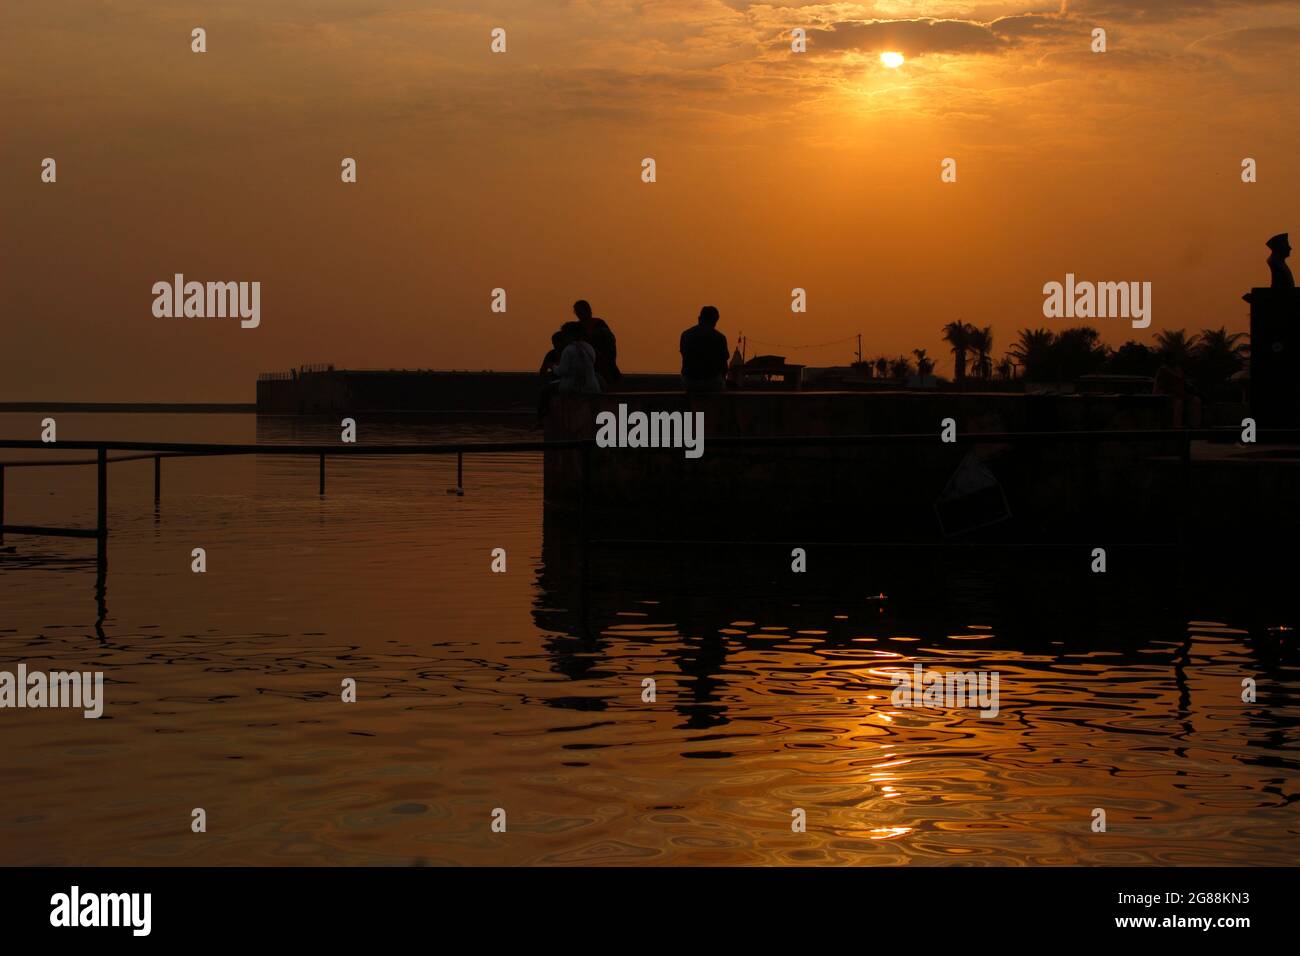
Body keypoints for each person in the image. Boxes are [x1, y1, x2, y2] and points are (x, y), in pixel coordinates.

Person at [679, 305, 729, 391]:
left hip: (689, 382)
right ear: (715, 321)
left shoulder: (685, 335)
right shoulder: (720, 337)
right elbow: (723, 365)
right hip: (712, 382)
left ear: (699, 318)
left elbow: (684, 356)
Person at [573, 300, 621, 384]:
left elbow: (609, 339)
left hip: (601, 356)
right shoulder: (577, 326)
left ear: (587, 310)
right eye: (576, 311)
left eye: (579, 311)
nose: (578, 314)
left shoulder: (598, 323)